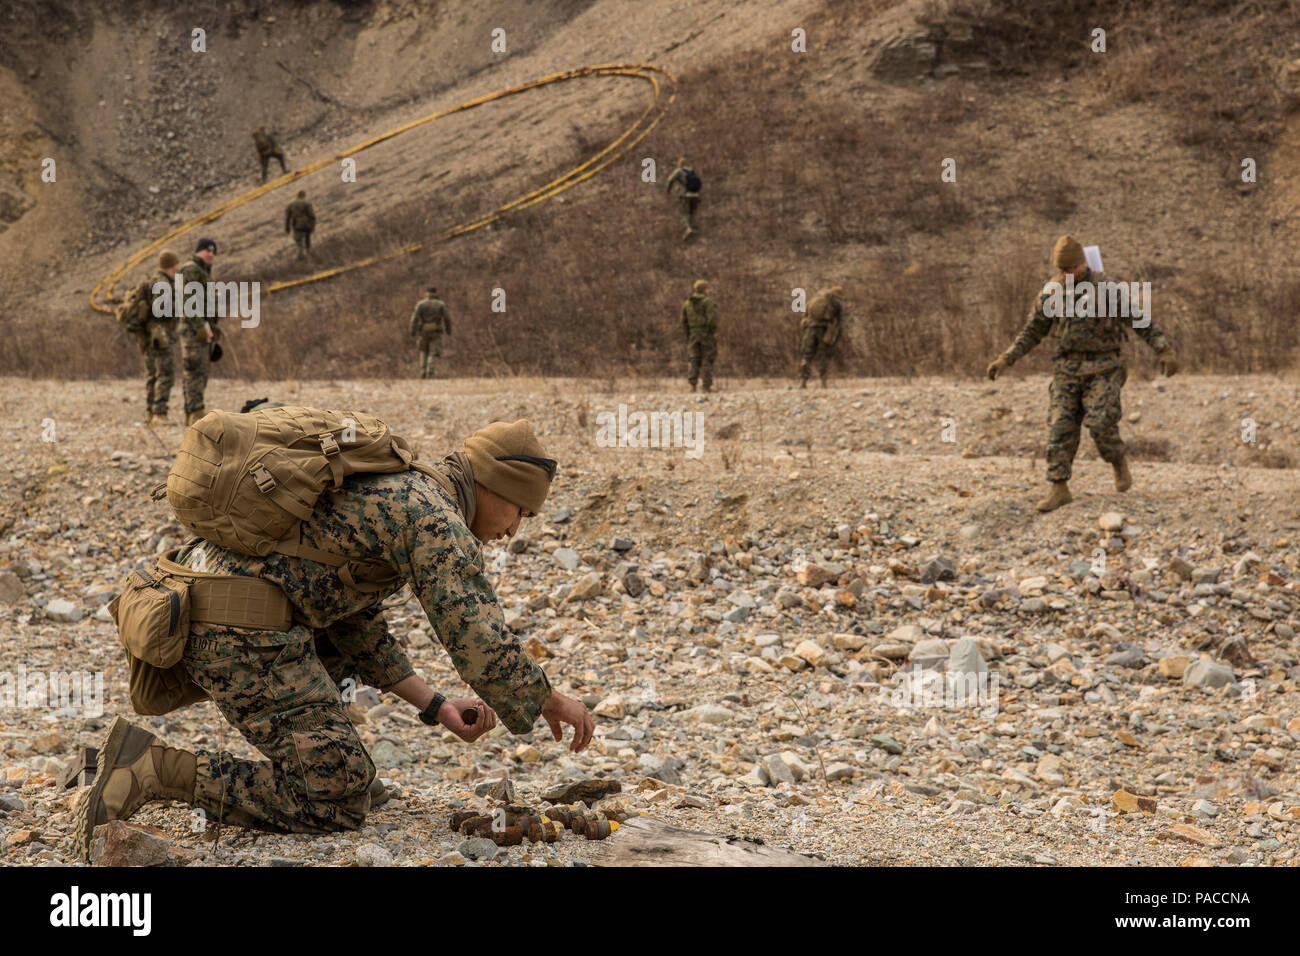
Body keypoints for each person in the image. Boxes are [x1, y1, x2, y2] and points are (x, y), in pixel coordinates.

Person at [73, 418, 594, 857]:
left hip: (209, 607)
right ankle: (150, 769)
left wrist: (434, 705)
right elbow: (476, 636)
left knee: (342, 706)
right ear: (493, 485)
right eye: (520, 510)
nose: (514, 530)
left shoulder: (404, 488)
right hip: (233, 629)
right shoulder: (433, 517)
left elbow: (351, 620)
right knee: (334, 802)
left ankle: (330, 759)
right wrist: (546, 699)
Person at [986, 235, 1179, 512]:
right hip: (1067, 369)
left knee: (1101, 424)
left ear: (1082, 264)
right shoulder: (1052, 291)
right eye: (1062, 271)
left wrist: (1163, 349)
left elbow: (1139, 318)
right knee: (1059, 428)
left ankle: (1117, 459)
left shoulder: (1107, 288)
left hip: (1104, 368)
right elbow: (1033, 330)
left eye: (1071, 269)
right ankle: (1059, 487)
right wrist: (1007, 358)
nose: (1067, 275)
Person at [179, 238, 219, 425]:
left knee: (201, 368)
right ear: (198, 251)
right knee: (195, 368)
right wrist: (201, 325)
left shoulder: (202, 270)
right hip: (194, 327)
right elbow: (190, 301)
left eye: (213, 251)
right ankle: (195, 412)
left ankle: (195, 411)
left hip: (200, 325)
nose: (210, 254)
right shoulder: (192, 269)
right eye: (206, 250)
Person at [799, 286, 844, 389]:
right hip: (825, 330)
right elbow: (840, 321)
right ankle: (823, 383)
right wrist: (836, 334)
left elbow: (805, 316)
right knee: (824, 355)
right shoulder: (837, 303)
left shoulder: (814, 300)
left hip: (810, 330)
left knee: (807, 356)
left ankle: (803, 381)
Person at [680, 279, 718, 393]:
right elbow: (712, 319)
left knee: (693, 359)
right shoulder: (707, 302)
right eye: (707, 288)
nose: (709, 290)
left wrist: (687, 335)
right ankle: (706, 386)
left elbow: (683, 321)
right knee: (707, 358)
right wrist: (713, 331)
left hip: (692, 334)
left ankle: (692, 385)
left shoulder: (687, 303)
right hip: (706, 334)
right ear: (703, 289)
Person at [409, 286, 452, 379]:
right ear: (436, 293)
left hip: (423, 330)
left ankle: (423, 370)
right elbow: (447, 319)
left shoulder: (420, 304)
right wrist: (449, 330)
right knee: (434, 352)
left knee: (423, 350)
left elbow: (414, 319)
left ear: (426, 293)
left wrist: (412, 331)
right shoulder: (441, 304)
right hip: (436, 330)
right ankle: (430, 371)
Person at [665, 156, 702, 240]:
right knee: (692, 213)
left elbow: (670, 180)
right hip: (695, 195)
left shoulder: (679, 171)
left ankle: (688, 229)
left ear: (679, 164)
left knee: (685, 213)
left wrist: (668, 190)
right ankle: (691, 229)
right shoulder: (692, 171)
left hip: (686, 196)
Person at [284, 190, 316, 259]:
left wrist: (287, 228)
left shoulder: (290, 204)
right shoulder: (307, 203)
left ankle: (301, 253)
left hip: (296, 224)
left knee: (298, 239)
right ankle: (308, 252)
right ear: (304, 195)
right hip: (307, 224)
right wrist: (313, 226)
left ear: (297, 195)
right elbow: (312, 216)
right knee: (307, 238)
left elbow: (287, 218)